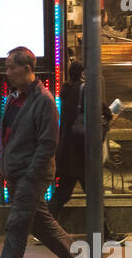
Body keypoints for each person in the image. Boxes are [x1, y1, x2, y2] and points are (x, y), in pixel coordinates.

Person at [0, 46, 77, 258]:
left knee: (17, 226)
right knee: (41, 225)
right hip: (16, 173)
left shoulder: (44, 100)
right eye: (6, 67)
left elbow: (47, 144)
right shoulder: (13, 97)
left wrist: (31, 175)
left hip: (32, 176)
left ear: (28, 69)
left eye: (12, 67)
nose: (7, 72)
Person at [52, 61, 123, 243]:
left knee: (63, 193)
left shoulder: (66, 89)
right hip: (82, 150)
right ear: (83, 73)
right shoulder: (85, 90)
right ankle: (106, 233)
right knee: (93, 194)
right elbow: (105, 112)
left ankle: (44, 227)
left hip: (68, 150)